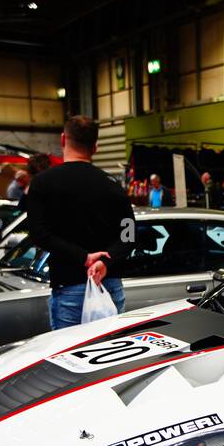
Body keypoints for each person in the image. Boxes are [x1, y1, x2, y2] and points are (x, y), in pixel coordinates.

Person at [26, 115, 133, 330]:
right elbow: (128, 236)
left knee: (70, 358)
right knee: (111, 355)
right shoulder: (112, 184)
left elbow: (38, 234)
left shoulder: (43, 183)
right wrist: (105, 263)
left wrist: (83, 257)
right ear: (95, 147)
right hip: (108, 284)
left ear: (63, 139)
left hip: (70, 286)